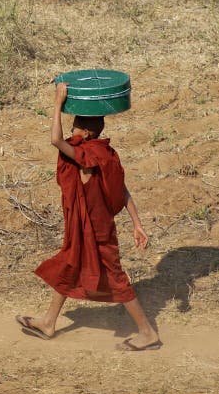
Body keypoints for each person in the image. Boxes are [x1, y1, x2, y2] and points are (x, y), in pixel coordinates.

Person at [15, 82, 161, 351]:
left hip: (96, 231)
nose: (70, 133)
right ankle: (49, 322)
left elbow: (55, 140)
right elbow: (122, 190)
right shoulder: (107, 155)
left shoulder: (86, 156)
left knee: (115, 277)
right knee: (70, 264)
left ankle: (147, 332)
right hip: (87, 227)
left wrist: (58, 103)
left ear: (84, 132)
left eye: (74, 128)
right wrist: (137, 223)